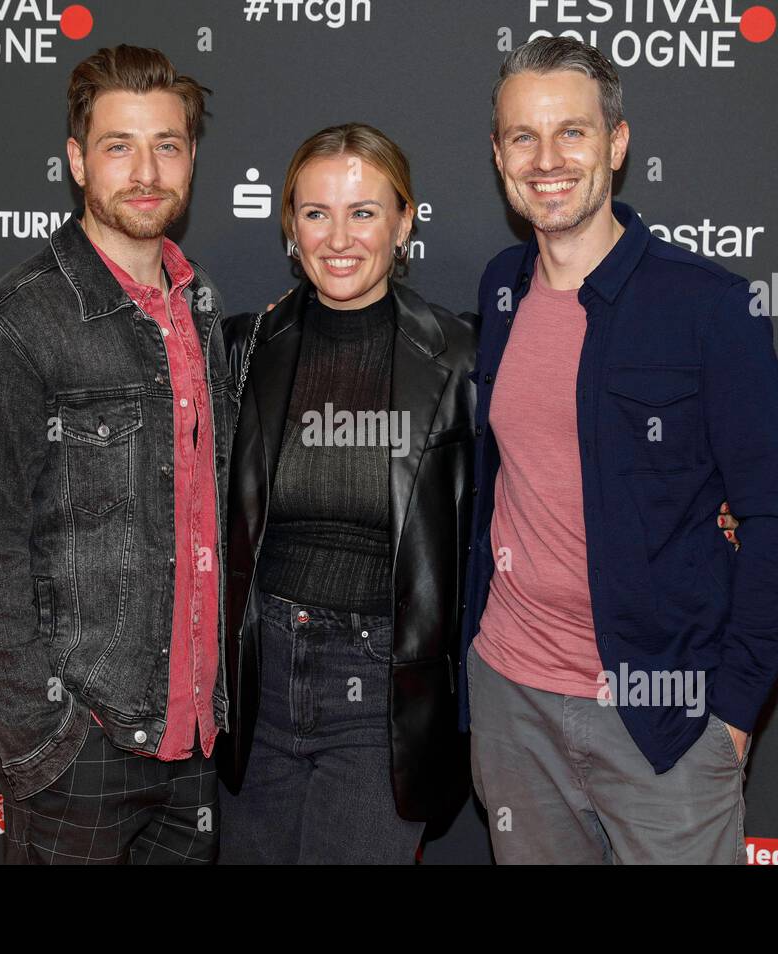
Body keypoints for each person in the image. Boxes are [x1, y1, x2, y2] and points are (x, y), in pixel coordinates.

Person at [460, 36, 778, 864]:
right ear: (499, 155)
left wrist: (732, 714)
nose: (547, 159)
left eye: (572, 133)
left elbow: (775, 521)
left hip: (665, 718)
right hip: (511, 696)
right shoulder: (500, 288)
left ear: (616, 145)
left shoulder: (707, 307)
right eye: (523, 137)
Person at [0, 45, 232, 864]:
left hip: (198, 744)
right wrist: (41, 737)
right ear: (75, 161)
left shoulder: (202, 311)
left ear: (192, 158)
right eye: (118, 145)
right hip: (83, 747)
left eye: (167, 145)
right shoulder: (18, 325)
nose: (145, 170)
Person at [216, 123, 475, 863]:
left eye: (363, 211)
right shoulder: (244, 348)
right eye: (315, 212)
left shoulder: (459, 358)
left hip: (384, 687)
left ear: (404, 221)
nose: (339, 238)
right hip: (259, 677)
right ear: (289, 226)